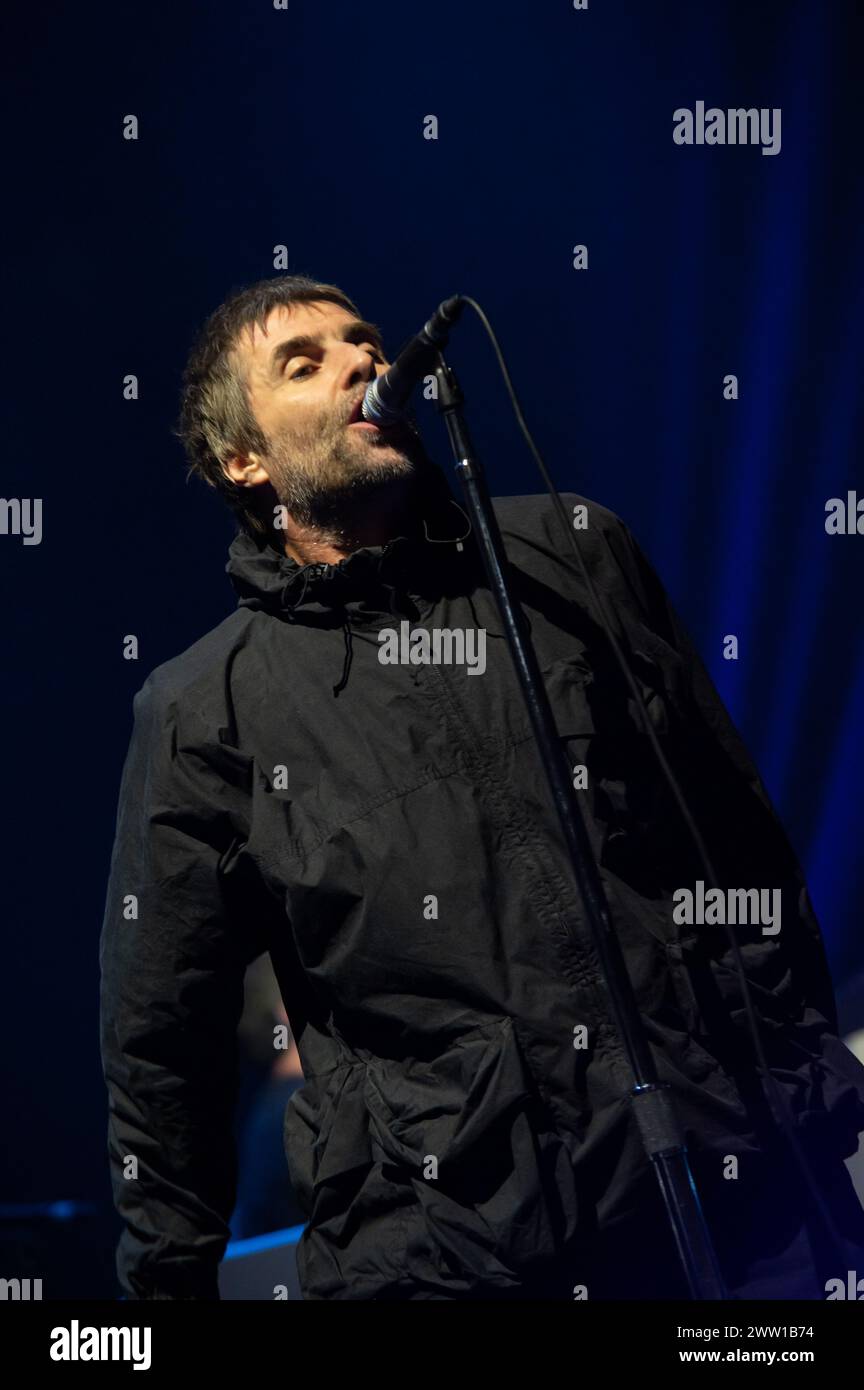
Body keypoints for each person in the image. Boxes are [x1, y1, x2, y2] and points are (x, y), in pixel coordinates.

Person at [99, 274, 864, 1301]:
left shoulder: (571, 552)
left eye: (365, 342)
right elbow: (160, 1037)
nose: (361, 363)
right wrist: (166, 1295)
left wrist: (799, 1083)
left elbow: (735, 833)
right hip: (465, 1255)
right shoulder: (203, 710)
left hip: (747, 1198)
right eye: (304, 363)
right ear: (245, 460)